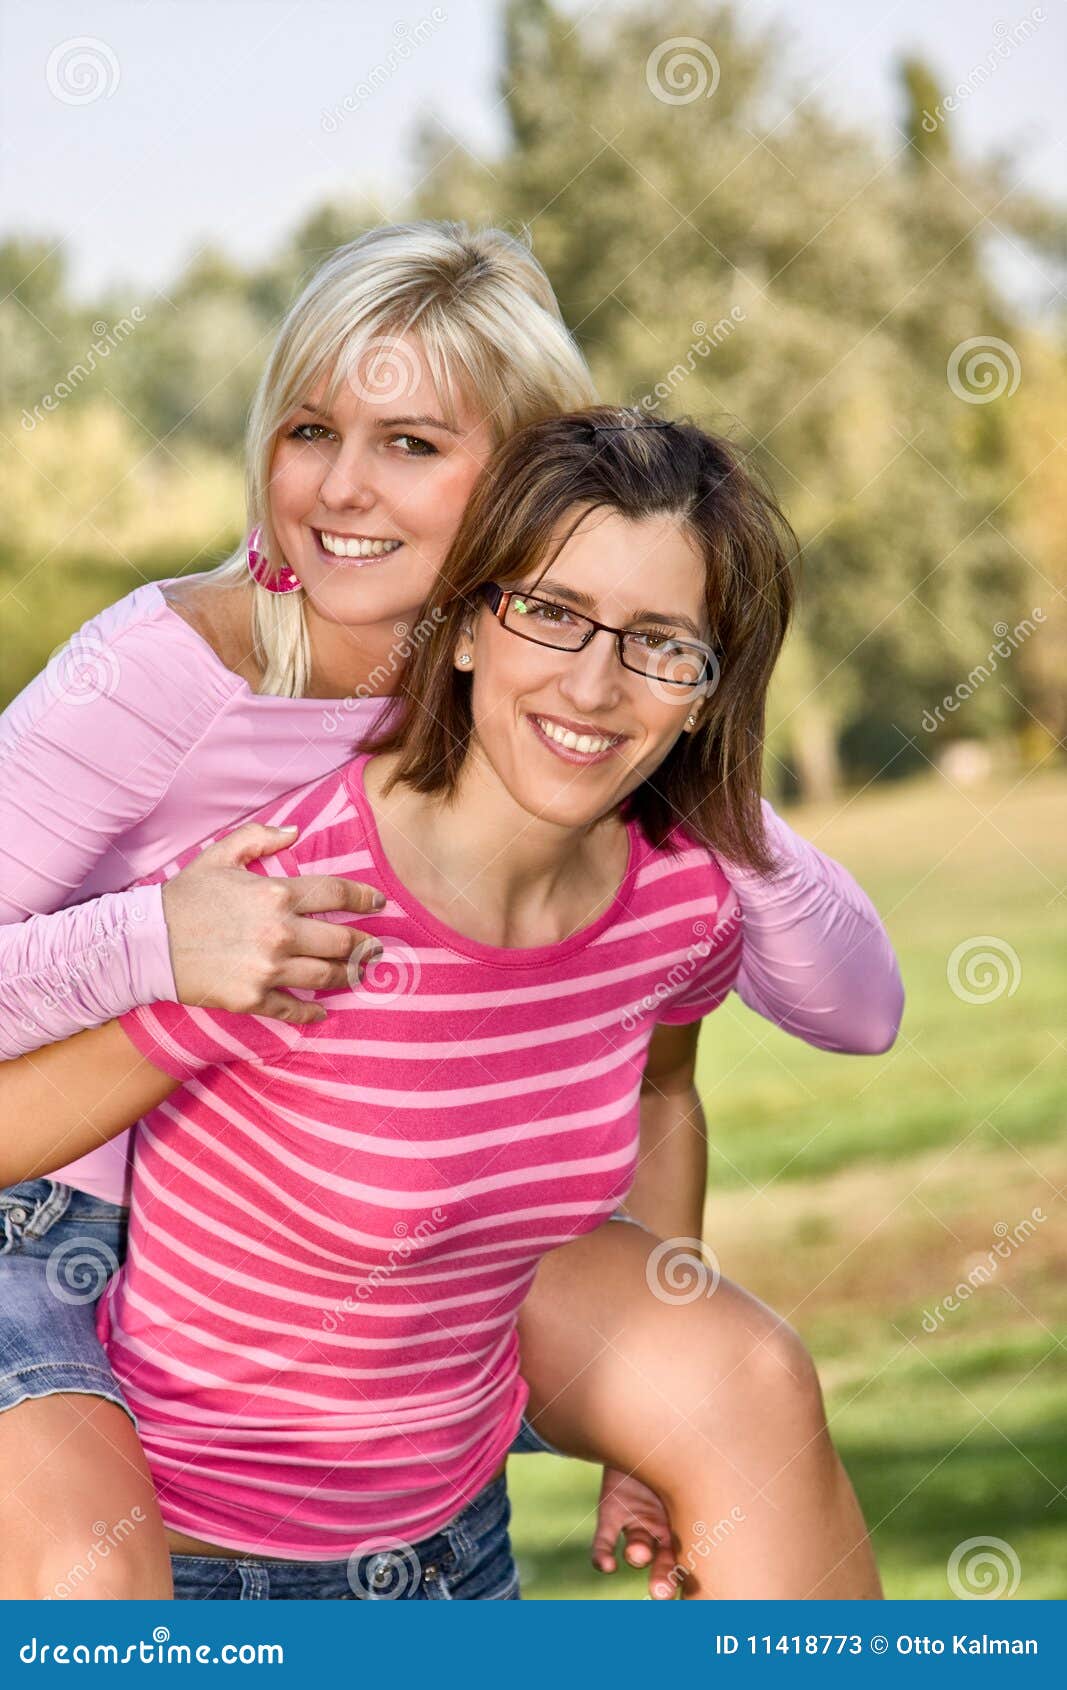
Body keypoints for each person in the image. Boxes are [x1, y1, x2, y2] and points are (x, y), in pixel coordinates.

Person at [0, 226, 902, 1600]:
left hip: (353, 1212)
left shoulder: (552, 712)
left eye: (412, 443)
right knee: (83, 1568)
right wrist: (159, 942)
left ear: (532, 480)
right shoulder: (164, 668)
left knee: (738, 1382)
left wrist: (687, 753)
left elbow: (787, 1026)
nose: (341, 487)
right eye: (309, 430)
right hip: (53, 1202)